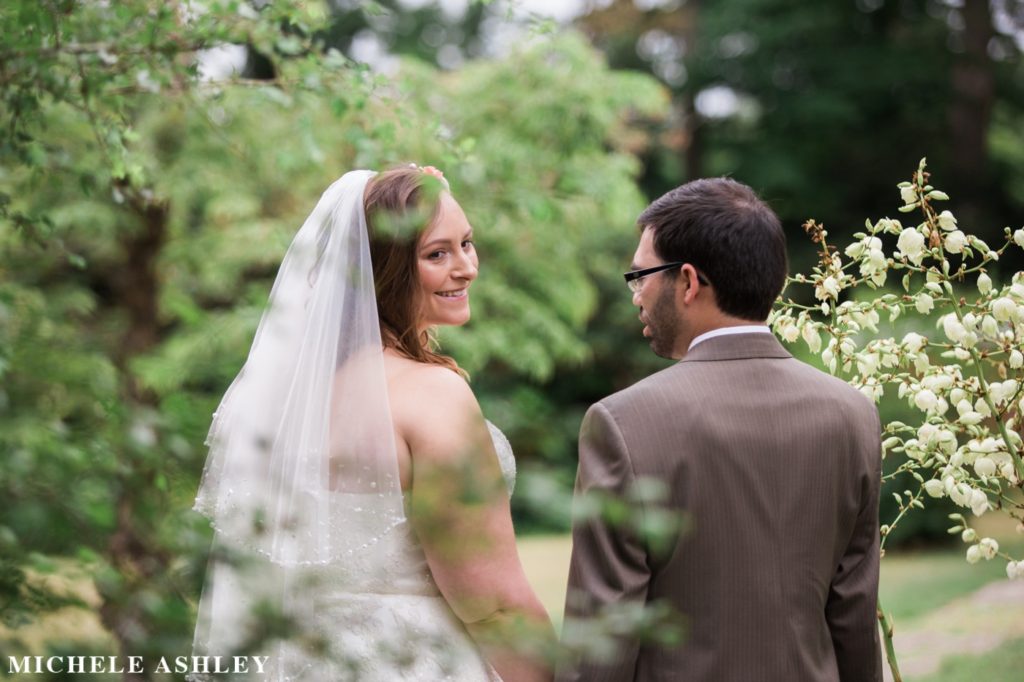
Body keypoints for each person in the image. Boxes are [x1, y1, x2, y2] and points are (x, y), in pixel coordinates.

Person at [192, 166, 553, 681]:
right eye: (437, 253)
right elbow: (493, 604)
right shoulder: (433, 396)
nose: (467, 267)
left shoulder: (284, 401)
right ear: (383, 269)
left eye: (467, 244)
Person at [557, 177, 882, 681]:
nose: (636, 295)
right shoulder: (852, 413)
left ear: (687, 281)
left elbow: (604, 633)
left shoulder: (622, 423)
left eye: (640, 276)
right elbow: (854, 615)